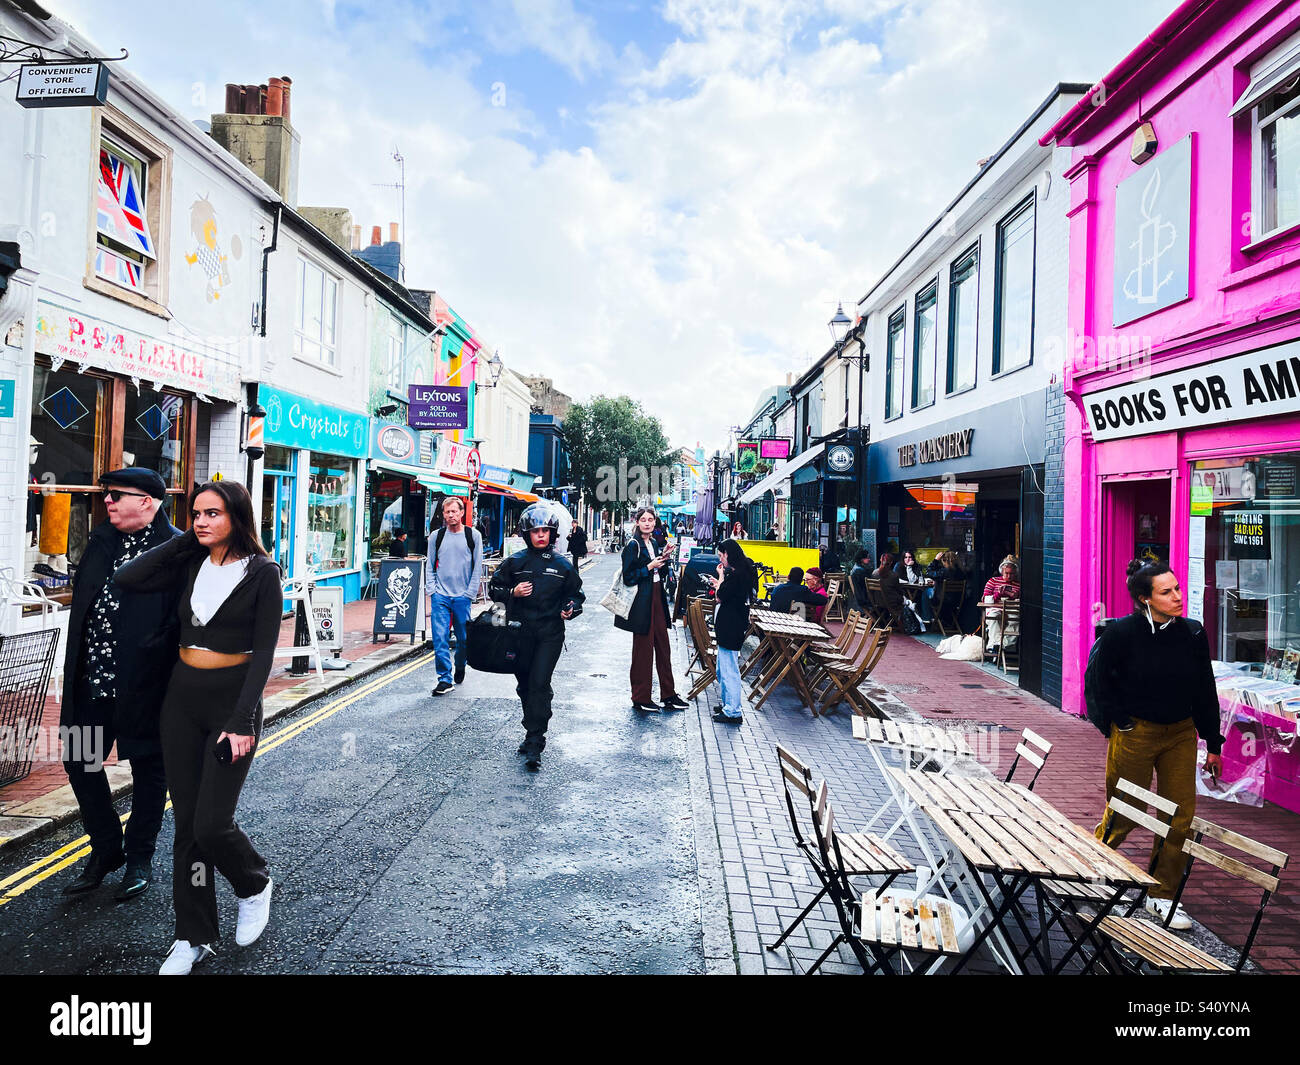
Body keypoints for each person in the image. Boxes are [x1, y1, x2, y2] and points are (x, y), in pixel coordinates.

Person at [114, 481, 281, 975]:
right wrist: (190, 539)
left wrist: (242, 719)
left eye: (213, 514)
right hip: (181, 702)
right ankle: (192, 936)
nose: (202, 521)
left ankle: (253, 882)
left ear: (238, 517)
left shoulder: (262, 573)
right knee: (186, 828)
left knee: (212, 824)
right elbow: (129, 577)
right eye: (196, 514)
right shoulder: (192, 561)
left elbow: (265, 655)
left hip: (232, 704)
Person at [60, 468, 180, 902]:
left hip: (145, 685)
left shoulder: (177, 547)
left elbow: (181, 619)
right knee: (79, 761)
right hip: (91, 679)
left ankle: (139, 858)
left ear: (147, 501)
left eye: (116, 495)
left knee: (149, 770)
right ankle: (106, 848)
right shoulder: (101, 539)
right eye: (106, 494)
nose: (107, 501)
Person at [1085, 559, 1223, 930]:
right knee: (1124, 810)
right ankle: (1093, 874)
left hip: (1180, 733)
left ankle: (1162, 897)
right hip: (1137, 733)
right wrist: (1121, 725)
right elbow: (1099, 684)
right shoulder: (1121, 634)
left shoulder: (1193, 634)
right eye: (1167, 592)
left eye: (1177, 588)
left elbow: (1204, 688)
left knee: (1179, 817)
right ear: (1144, 599)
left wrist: (1213, 741)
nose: (1178, 597)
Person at [488, 504, 584, 769]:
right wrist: (512, 594)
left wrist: (571, 609)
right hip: (520, 635)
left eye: (545, 531)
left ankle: (535, 741)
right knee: (525, 687)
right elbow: (494, 589)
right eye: (535, 531)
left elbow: (576, 595)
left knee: (540, 683)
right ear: (526, 533)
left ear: (552, 534)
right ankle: (532, 729)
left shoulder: (563, 566)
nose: (540, 535)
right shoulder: (514, 562)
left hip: (549, 635)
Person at [617, 506, 688, 712]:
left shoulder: (655, 543)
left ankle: (669, 694)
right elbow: (629, 577)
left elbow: (660, 571)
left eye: (651, 520)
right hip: (642, 601)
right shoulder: (633, 545)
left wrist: (664, 557)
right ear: (637, 523)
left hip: (657, 596)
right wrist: (649, 567)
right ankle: (640, 697)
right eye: (644, 520)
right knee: (643, 650)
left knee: (663, 647)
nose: (647, 523)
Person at [425, 496, 484, 696]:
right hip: (440, 595)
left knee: (463, 639)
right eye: (447, 512)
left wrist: (470, 593)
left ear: (461, 513)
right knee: (439, 638)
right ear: (443, 514)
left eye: (454, 511)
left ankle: (460, 665)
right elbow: (430, 564)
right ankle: (444, 679)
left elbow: (478, 566)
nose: (451, 515)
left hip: (462, 596)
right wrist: (431, 589)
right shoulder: (436, 536)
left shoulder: (472, 535)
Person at [701, 539, 754, 724]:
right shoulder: (744, 570)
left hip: (730, 627)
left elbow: (720, 596)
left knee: (729, 668)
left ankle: (733, 711)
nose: (721, 560)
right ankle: (728, 704)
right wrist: (721, 582)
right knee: (723, 667)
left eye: (722, 556)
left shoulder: (735, 574)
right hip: (733, 625)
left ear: (728, 554)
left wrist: (721, 579)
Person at [981, 555, 1020, 652]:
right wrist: (998, 594)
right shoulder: (993, 581)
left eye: (1012, 574)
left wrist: (1016, 596)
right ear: (1002, 571)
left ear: (1016, 573)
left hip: (1011, 609)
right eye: (1006, 573)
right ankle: (995, 645)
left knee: (1015, 620)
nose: (1009, 576)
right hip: (995, 608)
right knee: (995, 617)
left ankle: (1006, 646)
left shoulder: (1019, 584)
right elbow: (985, 599)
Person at [895, 550, 933, 621]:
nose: (908, 559)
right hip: (903, 592)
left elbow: (913, 580)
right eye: (905, 557)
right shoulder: (898, 566)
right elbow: (896, 579)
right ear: (903, 558)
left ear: (913, 558)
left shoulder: (916, 566)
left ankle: (924, 619)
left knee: (924, 594)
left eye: (910, 557)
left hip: (916, 591)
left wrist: (909, 567)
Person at [849, 548, 873, 614]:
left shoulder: (856, 568)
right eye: (867, 558)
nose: (869, 559)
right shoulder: (860, 570)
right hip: (864, 599)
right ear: (862, 559)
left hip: (859, 597)